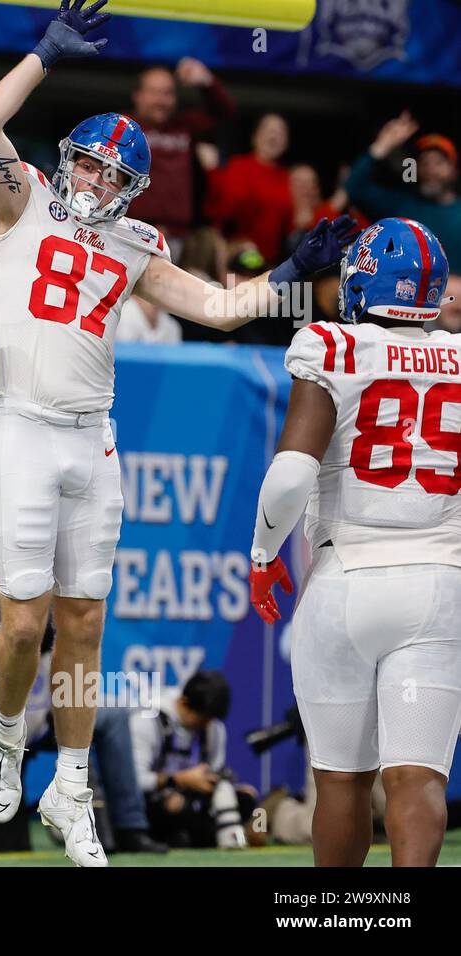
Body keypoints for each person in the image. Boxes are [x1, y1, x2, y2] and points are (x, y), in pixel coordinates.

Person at [0, 0, 357, 866]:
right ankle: (3, 732)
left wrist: (293, 265)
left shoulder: (137, 241)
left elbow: (218, 308)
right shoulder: (20, 200)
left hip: (93, 435)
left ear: (132, 188)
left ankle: (70, 784)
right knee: (24, 625)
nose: (98, 182)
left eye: (114, 174)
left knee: (86, 623)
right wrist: (41, 56)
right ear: (70, 163)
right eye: (91, 167)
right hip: (22, 427)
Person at [249, 217, 461, 867]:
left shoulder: (332, 346)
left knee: (341, 781)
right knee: (417, 777)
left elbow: (290, 475)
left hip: (345, 581)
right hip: (439, 583)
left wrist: (262, 556)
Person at [0, 519, 165, 855]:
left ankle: (131, 827)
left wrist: (10, 593)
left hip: (41, 709)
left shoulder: (33, 596)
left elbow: (47, 638)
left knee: (111, 715)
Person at [129, 670, 253, 849]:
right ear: (183, 703)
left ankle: (217, 836)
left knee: (246, 797)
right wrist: (178, 779)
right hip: (153, 803)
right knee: (174, 804)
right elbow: (133, 782)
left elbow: (213, 772)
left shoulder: (213, 727)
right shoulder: (146, 720)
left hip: (193, 801)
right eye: (201, 720)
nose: (206, 726)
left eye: (210, 720)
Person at [126, 58, 236, 244]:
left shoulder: (185, 126)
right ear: (137, 95)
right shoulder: (123, 126)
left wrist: (206, 82)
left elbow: (224, 113)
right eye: (154, 92)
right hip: (130, 232)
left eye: (167, 93)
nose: (161, 100)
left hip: (178, 237)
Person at [343, 113, 461, 261]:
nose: (431, 170)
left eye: (439, 163)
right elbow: (355, 187)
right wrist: (382, 146)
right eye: (425, 163)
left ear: (454, 170)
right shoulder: (401, 205)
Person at [204, 113, 294, 264]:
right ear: (255, 137)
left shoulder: (289, 177)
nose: (274, 137)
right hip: (239, 258)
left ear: (286, 142)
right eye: (268, 130)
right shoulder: (239, 167)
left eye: (280, 132)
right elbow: (222, 210)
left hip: (275, 262)